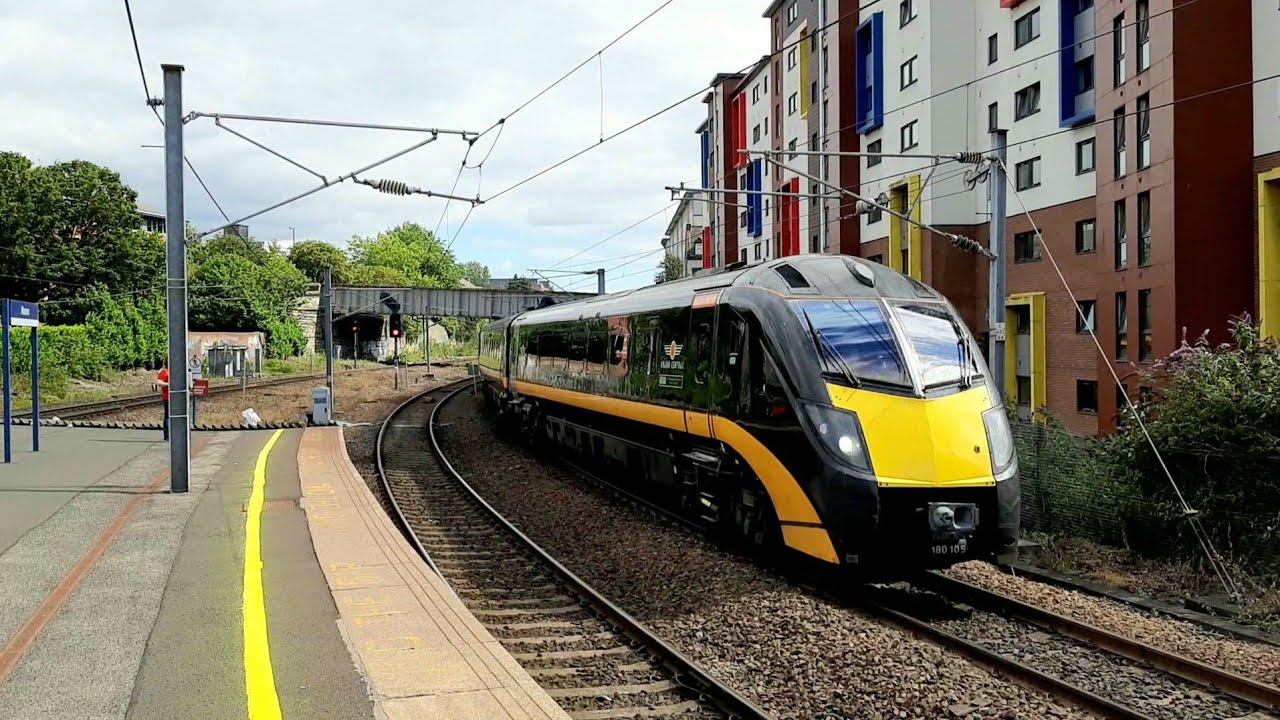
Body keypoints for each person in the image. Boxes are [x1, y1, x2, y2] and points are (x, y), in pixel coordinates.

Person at [156, 365, 170, 441]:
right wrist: (168, 384)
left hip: (177, 397)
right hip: (167, 397)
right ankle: (167, 435)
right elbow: (159, 382)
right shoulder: (164, 371)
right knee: (168, 415)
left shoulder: (178, 370)